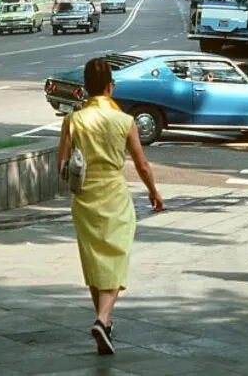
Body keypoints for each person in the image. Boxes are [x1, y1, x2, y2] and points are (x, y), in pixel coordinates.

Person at [58, 58, 163, 355]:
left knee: (94, 259)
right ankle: (103, 320)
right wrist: (154, 192)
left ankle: (105, 323)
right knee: (116, 257)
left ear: (85, 88)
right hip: (115, 193)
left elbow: (61, 165)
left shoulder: (73, 120)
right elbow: (141, 163)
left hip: (85, 195)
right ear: (110, 87)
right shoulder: (125, 121)